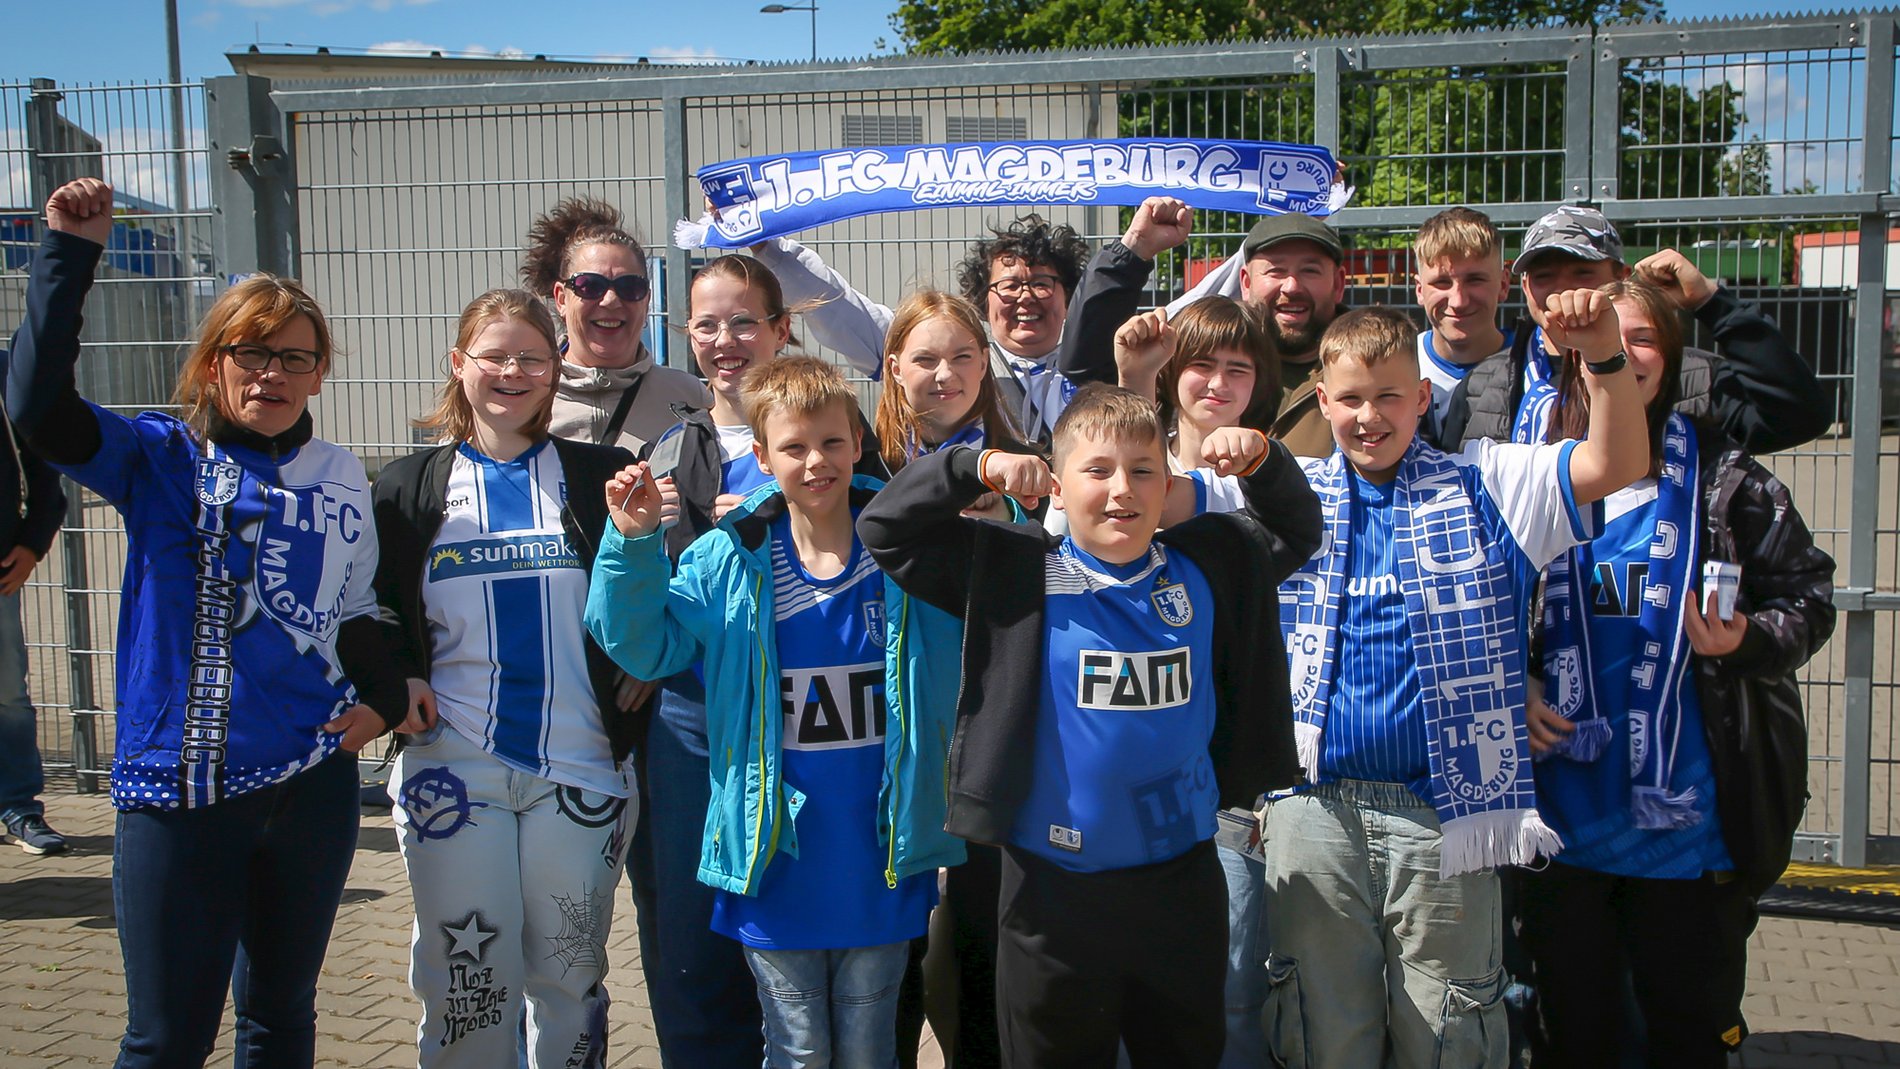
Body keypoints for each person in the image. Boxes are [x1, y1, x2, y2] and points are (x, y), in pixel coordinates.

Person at [6, 177, 411, 1066]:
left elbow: (349, 607)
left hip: (312, 786)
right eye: (251, 352)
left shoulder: (341, 471)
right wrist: (69, 255)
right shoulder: (158, 454)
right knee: (165, 1038)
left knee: (280, 1019)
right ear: (213, 362)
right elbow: (36, 410)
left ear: (320, 371)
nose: (272, 373)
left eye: (295, 357)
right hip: (181, 796)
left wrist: (380, 702)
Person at [859, 384, 1322, 1068]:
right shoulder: (1016, 571)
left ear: (1169, 486)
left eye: (1142, 470)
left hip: (1180, 887)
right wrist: (972, 467)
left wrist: (1266, 462)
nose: (1120, 490)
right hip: (1053, 894)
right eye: (1097, 470)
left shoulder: (1208, 567)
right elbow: (885, 528)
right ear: (1056, 483)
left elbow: (1295, 530)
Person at [1263, 303, 1649, 1068]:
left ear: (1422, 398)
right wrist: (1145, 379)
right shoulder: (1287, 491)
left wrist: (1603, 354)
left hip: (1447, 815)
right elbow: (1147, 499)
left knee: (1448, 1032)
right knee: (1320, 1032)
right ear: (1321, 399)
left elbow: (1618, 462)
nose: (1369, 417)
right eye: (1350, 398)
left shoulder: (1491, 481)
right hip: (1314, 810)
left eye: (1389, 397)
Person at [587, 357, 966, 1069]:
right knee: (795, 1045)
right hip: (776, 853)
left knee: (869, 1040)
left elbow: (989, 589)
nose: (815, 461)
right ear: (761, 457)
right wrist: (633, 543)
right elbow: (642, 646)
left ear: (857, 441)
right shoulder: (726, 561)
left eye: (830, 442)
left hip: (879, 851)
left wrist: (994, 499)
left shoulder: (906, 554)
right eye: (793, 447)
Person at [1515, 278, 1836, 1067]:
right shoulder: (1527, 472)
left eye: (1642, 339)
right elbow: (1477, 613)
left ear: (1672, 355)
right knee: (1578, 1034)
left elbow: (1810, 595)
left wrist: (1748, 640)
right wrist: (1511, 685)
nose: (1621, 354)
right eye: (1604, 338)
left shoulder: (1727, 479)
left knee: (1687, 1032)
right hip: (1565, 819)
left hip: (1686, 821)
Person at [371, 289, 638, 1067]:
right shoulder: (407, 487)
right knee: (468, 977)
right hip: (453, 772)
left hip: (581, 770)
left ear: (556, 370)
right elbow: (375, 608)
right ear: (460, 366)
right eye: (494, 355)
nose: (512, 372)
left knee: (569, 975)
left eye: (532, 357)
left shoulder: (604, 475)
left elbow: (646, 587)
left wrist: (645, 662)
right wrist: (396, 683)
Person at [630, 255, 885, 1069]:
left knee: (832, 975)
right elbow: (648, 595)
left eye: (745, 321)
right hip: (698, 722)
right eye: (707, 323)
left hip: (807, 732)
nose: (726, 339)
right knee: (697, 936)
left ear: (782, 329)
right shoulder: (672, 445)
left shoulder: (842, 431)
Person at [1108, 294, 1279, 1066]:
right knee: (1123, 987)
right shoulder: (1125, 470)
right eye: (1201, 364)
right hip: (1127, 767)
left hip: (1228, 776)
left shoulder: (1274, 478)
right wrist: (1132, 382)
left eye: (1237, 368)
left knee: (1236, 983)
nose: (1217, 381)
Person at [1438, 205, 1831, 454]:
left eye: (1583, 273)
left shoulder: (1683, 374)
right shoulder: (1482, 385)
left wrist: (1710, 303)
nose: (1564, 289)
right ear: (1524, 287)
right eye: (1544, 276)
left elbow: (1797, 419)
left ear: (1621, 277)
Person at [753, 213, 1091, 447]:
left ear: (1068, 295)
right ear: (984, 298)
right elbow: (837, 305)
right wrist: (766, 247)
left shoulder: (1098, 366)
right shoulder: (946, 356)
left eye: (1042, 284)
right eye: (1009, 286)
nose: (1025, 298)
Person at [1058, 201, 1348, 456]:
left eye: (1310, 271)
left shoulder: (1366, 367)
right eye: (1276, 271)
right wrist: (1133, 249)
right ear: (1245, 282)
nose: (1292, 286)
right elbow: (1087, 366)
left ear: (1338, 283)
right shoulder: (1187, 347)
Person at [520, 196, 711, 455]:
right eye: (590, 286)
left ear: (647, 300)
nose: (610, 300)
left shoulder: (689, 397)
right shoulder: (522, 394)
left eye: (629, 287)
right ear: (561, 299)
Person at [0, 399, 67, 855]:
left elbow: (43, 470)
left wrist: (32, 543)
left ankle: (19, 806)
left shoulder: (6, 379)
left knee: (7, 695)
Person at [1410, 206, 1514, 434]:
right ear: (1419, 289)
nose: (1458, 300)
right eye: (1442, 283)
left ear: (1503, 284)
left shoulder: (1533, 365)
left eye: (1475, 280)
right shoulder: (1397, 364)